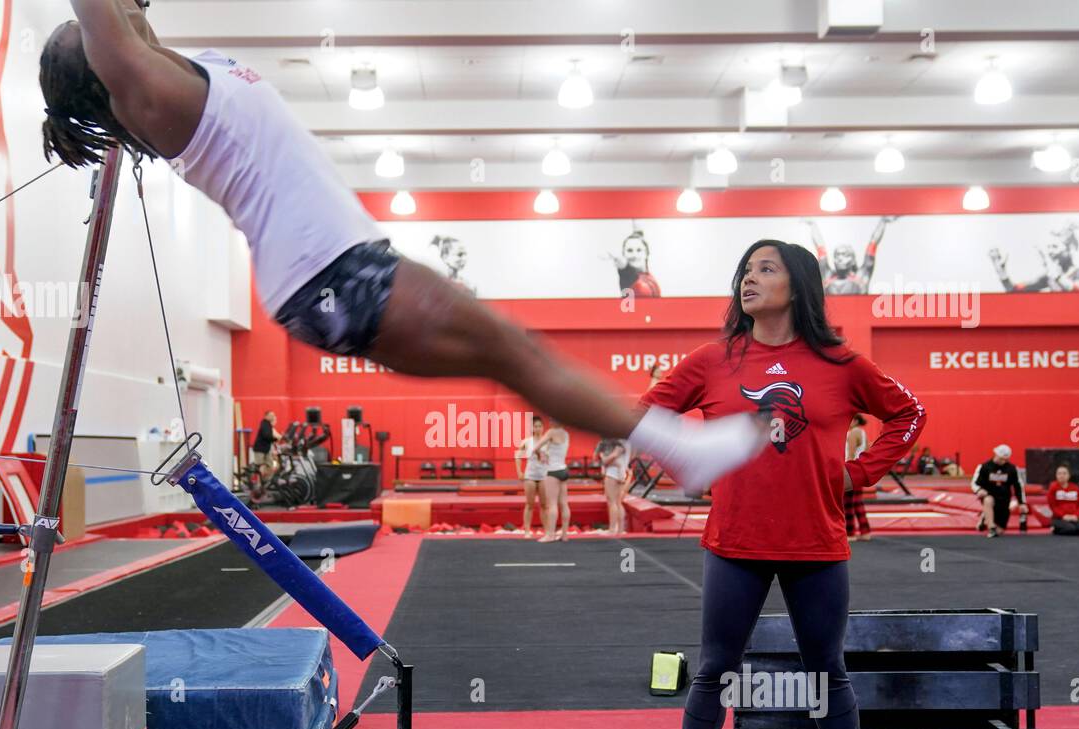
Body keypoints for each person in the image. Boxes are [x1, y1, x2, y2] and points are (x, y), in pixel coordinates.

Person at [40, 2, 766, 498]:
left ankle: (674, 448)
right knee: (516, 351)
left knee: (513, 357)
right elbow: (108, 22)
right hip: (333, 274)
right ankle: (678, 449)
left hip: (331, 275)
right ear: (103, 62)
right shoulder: (148, 93)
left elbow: (127, 20)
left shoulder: (170, 68)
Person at [643, 239, 926, 729]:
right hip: (734, 543)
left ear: (797, 285)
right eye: (745, 269)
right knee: (716, 670)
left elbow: (910, 415)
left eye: (765, 269)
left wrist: (857, 474)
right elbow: (646, 416)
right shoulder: (712, 360)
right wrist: (688, 466)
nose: (749, 278)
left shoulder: (842, 364)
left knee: (828, 670)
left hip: (817, 544)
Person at [803, 216, 896, 295]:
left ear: (852, 260)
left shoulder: (861, 276)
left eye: (844, 255)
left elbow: (873, 243)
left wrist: (883, 221)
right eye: (837, 255)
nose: (839, 258)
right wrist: (813, 225)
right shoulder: (827, 276)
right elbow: (820, 246)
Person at [528, 419, 571, 542]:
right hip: (563, 469)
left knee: (551, 504)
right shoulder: (566, 433)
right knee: (564, 503)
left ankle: (550, 535)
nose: (550, 421)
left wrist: (541, 455)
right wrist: (545, 454)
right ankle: (564, 534)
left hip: (553, 470)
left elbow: (535, 447)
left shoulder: (551, 432)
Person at [971, 444, 1027, 538]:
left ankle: (985, 518)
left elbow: (1018, 486)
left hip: (1004, 500)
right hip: (989, 496)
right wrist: (979, 490)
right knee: (988, 500)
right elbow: (974, 483)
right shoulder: (984, 467)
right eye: (1001, 459)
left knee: (1000, 531)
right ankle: (991, 526)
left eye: (1005, 459)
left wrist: (1022, 502)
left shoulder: (1012, 469)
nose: (1003, 461)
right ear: (995, 454)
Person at [514, 416, 549, 538]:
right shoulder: (527, 442)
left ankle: (547, 531)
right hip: (530, 476)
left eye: (540, 426)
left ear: (543, 427)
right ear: (532, 428)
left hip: (544, 476)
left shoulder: (547, 441)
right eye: (536, 426)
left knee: (544, 505)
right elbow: (518, 455)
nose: (538, 428)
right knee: (529, 504)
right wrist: (519, 472)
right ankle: (527, 530)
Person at [844, 414, 871, 541]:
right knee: (858, 502)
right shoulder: (863, 433)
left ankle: (850, 533)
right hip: (860, 469)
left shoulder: (853, 432)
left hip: (851, 470)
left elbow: (851, 453)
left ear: (854, 420)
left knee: (848, 503)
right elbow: (866, 450)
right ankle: (865, 531)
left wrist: (846, 469)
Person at [596, 437, 630, 535]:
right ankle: (620, 529)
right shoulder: (627, 442)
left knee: (612, 502)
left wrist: (604, 460)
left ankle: (612, 529)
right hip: (621, 473)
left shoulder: (616, 443)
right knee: (618, 502)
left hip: (612, 474)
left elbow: (607, 460)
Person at [1047, 463, 1079, 536]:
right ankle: (1055, 529)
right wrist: (1063, 516)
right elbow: (1053, 506)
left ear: (1069, 475)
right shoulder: (1053, 489)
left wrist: (1076, 515)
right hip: (1059, 518)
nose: (1062, 476)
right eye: (1059, 473)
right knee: (1070, 529)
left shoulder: (1075, 488)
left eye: (1064, 473)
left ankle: (1071, 527)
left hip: (1074, 517)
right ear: (1056, 475)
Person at [251, 410, 279, 478]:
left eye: (273, 415)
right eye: (271, 415)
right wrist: (275, 439)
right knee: (258, 466)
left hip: (266, 449)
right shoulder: (264, 424)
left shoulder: (268, 424)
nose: (273, 417)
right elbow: (266, 435)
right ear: (266, 416)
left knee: (270, 464)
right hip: (260, 449)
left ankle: (266, 481)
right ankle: (255, 482)